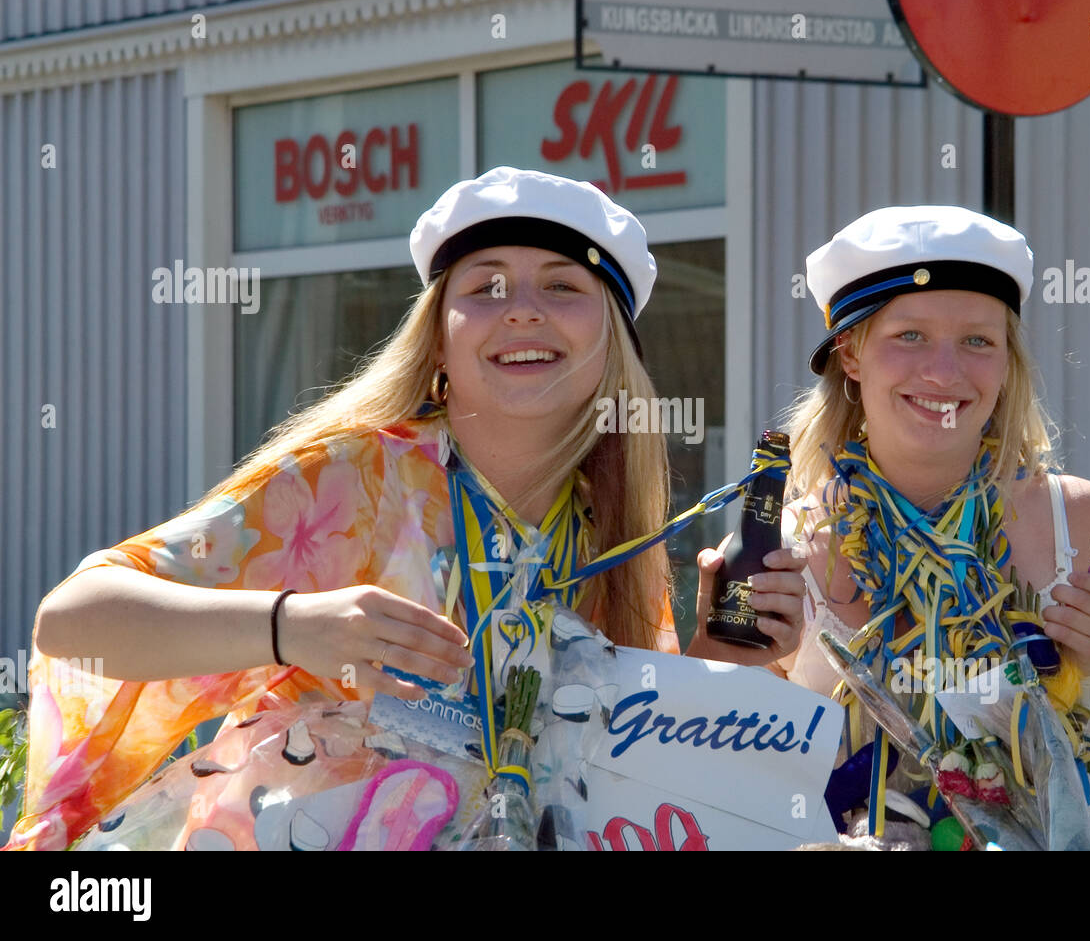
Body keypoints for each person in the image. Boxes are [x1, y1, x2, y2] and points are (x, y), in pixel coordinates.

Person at [7, 166, 804, 851]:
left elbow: (629, 779)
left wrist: (719, 662)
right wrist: (293, 624)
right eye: (484, 286)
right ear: (440, 339)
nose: (522, 308)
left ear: (611, 349)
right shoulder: (351, 477)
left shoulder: (608, 530)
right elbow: (71, 622)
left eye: (562, 286)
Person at [775, 205, 1090, 825]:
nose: (944, 372)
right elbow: (731, 780)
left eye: (977, 341)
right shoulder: (786, 538)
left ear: (1007, 362)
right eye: (910, 335)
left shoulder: (1082, 521)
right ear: (851, 354)